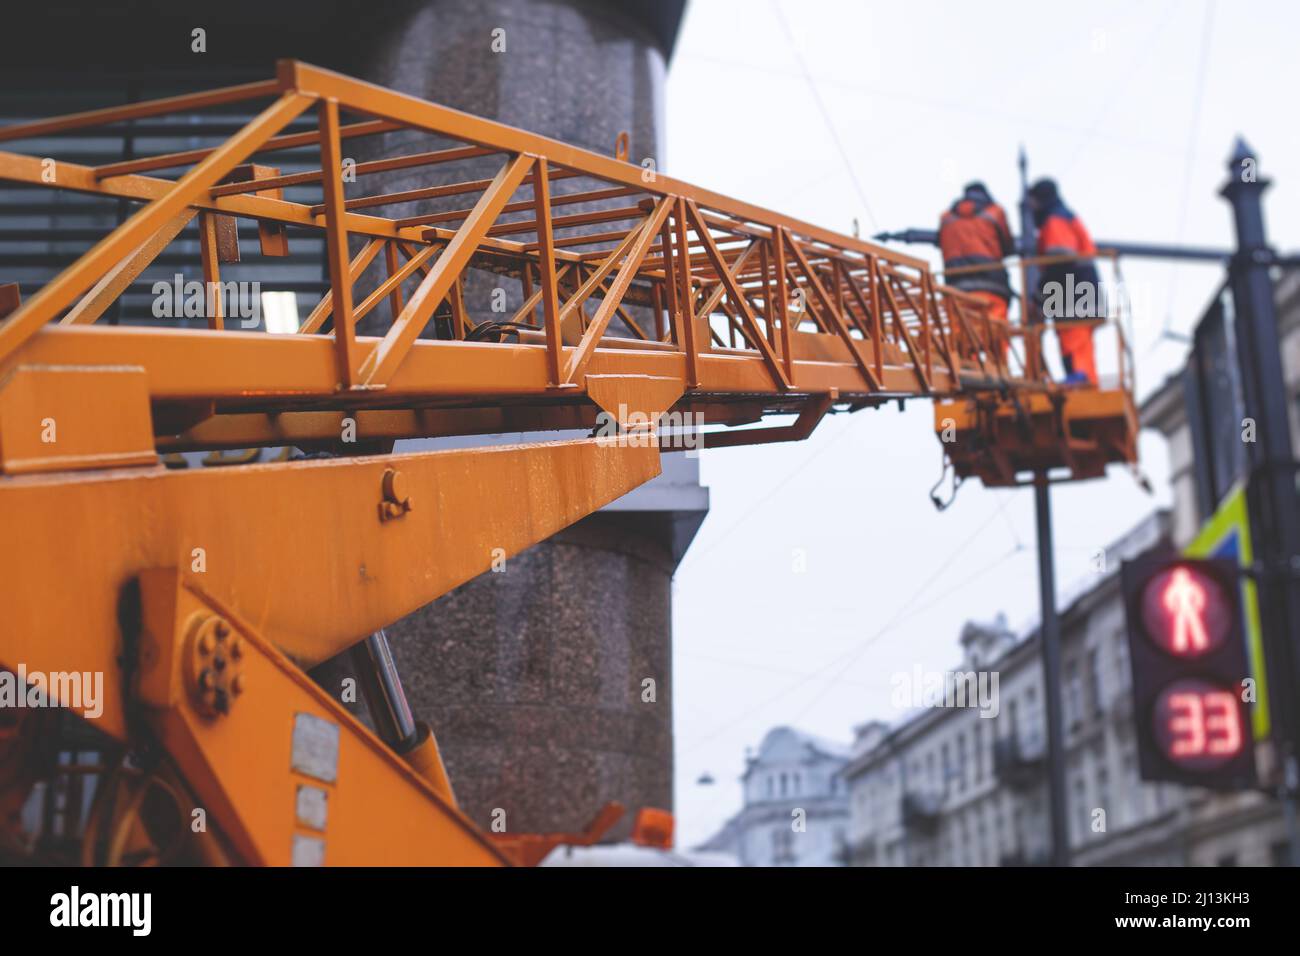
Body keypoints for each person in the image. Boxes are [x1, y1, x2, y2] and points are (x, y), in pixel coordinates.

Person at [1028, 178, 1100, 384]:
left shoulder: (1054, 221)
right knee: (1081, 347)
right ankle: (1086, 383)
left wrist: (1040, 297)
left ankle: (1081, 383)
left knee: (1074, 344)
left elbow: (1059, 263)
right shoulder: (1064, 217)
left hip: (1072, 295)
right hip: (1080, 293)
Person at [938, 182, 1014, 365]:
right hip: (992, 287)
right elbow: (1008, 246)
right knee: (995, 336)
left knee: (963, 337)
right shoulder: (995, 212)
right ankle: (998, 370)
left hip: (957, 290)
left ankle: (966, 368)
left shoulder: (946, 217)